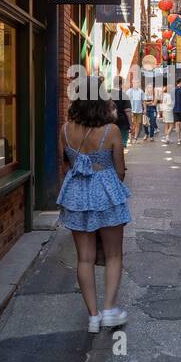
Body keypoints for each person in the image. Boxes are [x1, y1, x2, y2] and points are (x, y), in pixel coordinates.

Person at [57, 96, 131, 332]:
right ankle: (109, 309)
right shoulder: (111, 131)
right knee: (113, 255)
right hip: (106, 194)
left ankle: (93, 316)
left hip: (76, 195)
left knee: (84, 258)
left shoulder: (65, 130)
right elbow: (120, 170)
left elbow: (65, 165)